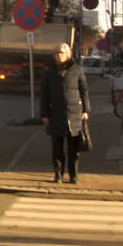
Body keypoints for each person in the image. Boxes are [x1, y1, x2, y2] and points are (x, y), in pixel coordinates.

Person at [40, 41, 91, 185]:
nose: (59, 55)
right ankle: (58, 175)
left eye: (62, 53)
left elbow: (84, 90)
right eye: (57, 53)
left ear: (68, 54)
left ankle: (73, 176)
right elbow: (44, 93)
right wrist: (44, 114)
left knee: (73, 148)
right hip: (55, 113)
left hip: (74, 113)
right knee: (57, 148)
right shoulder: (49, 71)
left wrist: (86, 110)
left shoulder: (76, 70)